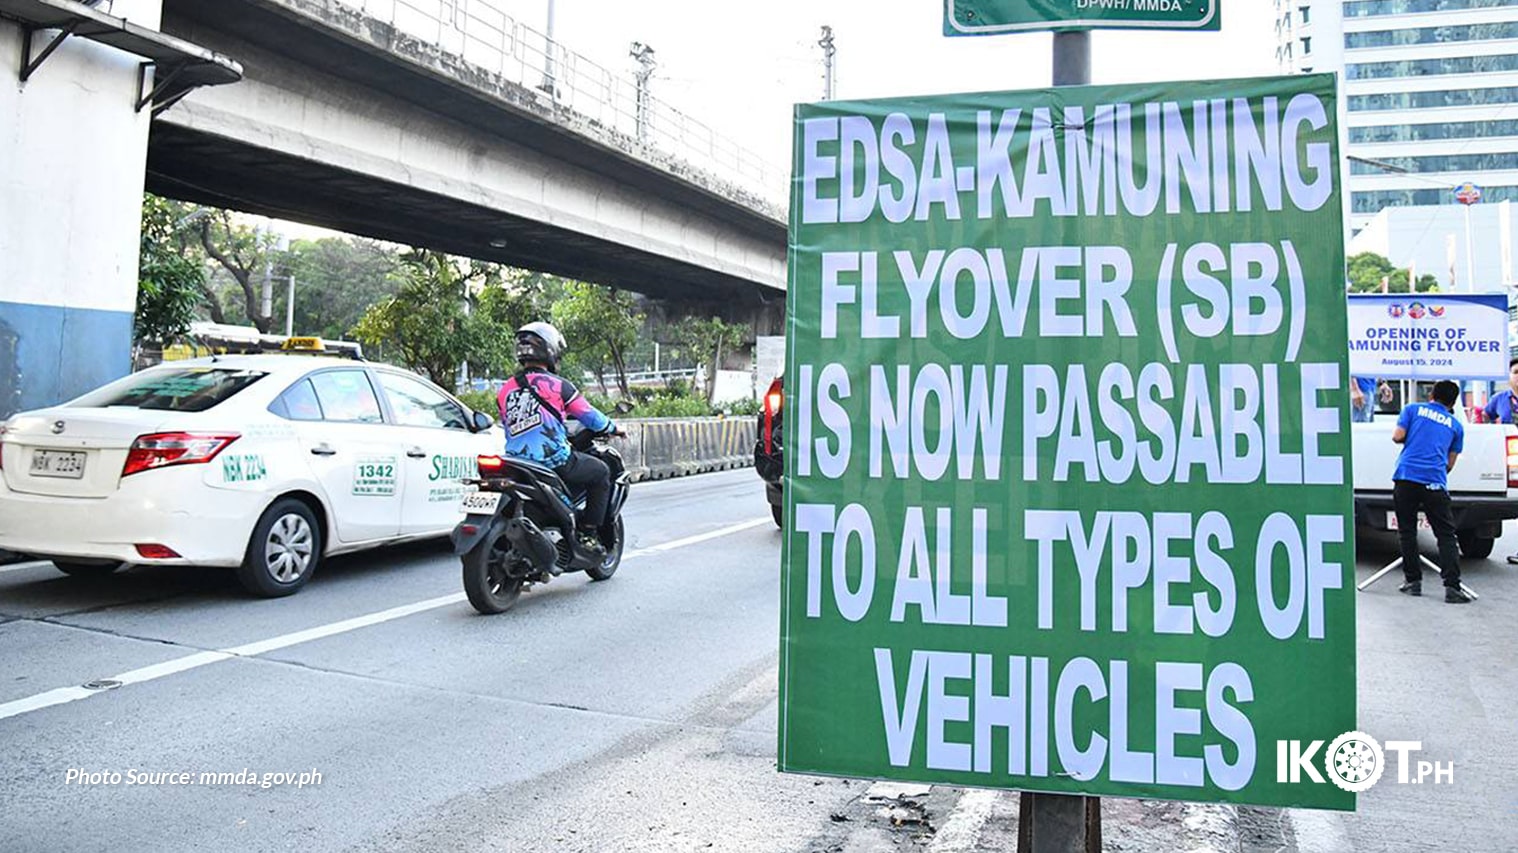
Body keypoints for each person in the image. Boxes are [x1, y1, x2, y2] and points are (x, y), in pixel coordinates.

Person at [497, 322, 622, 557]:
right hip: (553, 460)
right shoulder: (559, 386)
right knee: (601, 473)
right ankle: (587, 533)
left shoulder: (505, 389)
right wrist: (614, 427)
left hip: (515, 461)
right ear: (550, 350)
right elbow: (591, 417)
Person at [1391, 379, 1473, 604]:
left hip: (1406, 477)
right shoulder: (1456, 426)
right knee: (1446, 535)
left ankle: (1413, 582)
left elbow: (1397, 436)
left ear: (1431, 395)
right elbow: (1449, 464)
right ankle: (1452, 588)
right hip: (1435, 483)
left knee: (1407, 532)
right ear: (1453, 402)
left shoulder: (1412, 410)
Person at [1482, 358, 1518, 564]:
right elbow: (1486, 415)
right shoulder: (1501, 398)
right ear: (1509, 376)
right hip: (1511, 457)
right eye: (1516, 372)